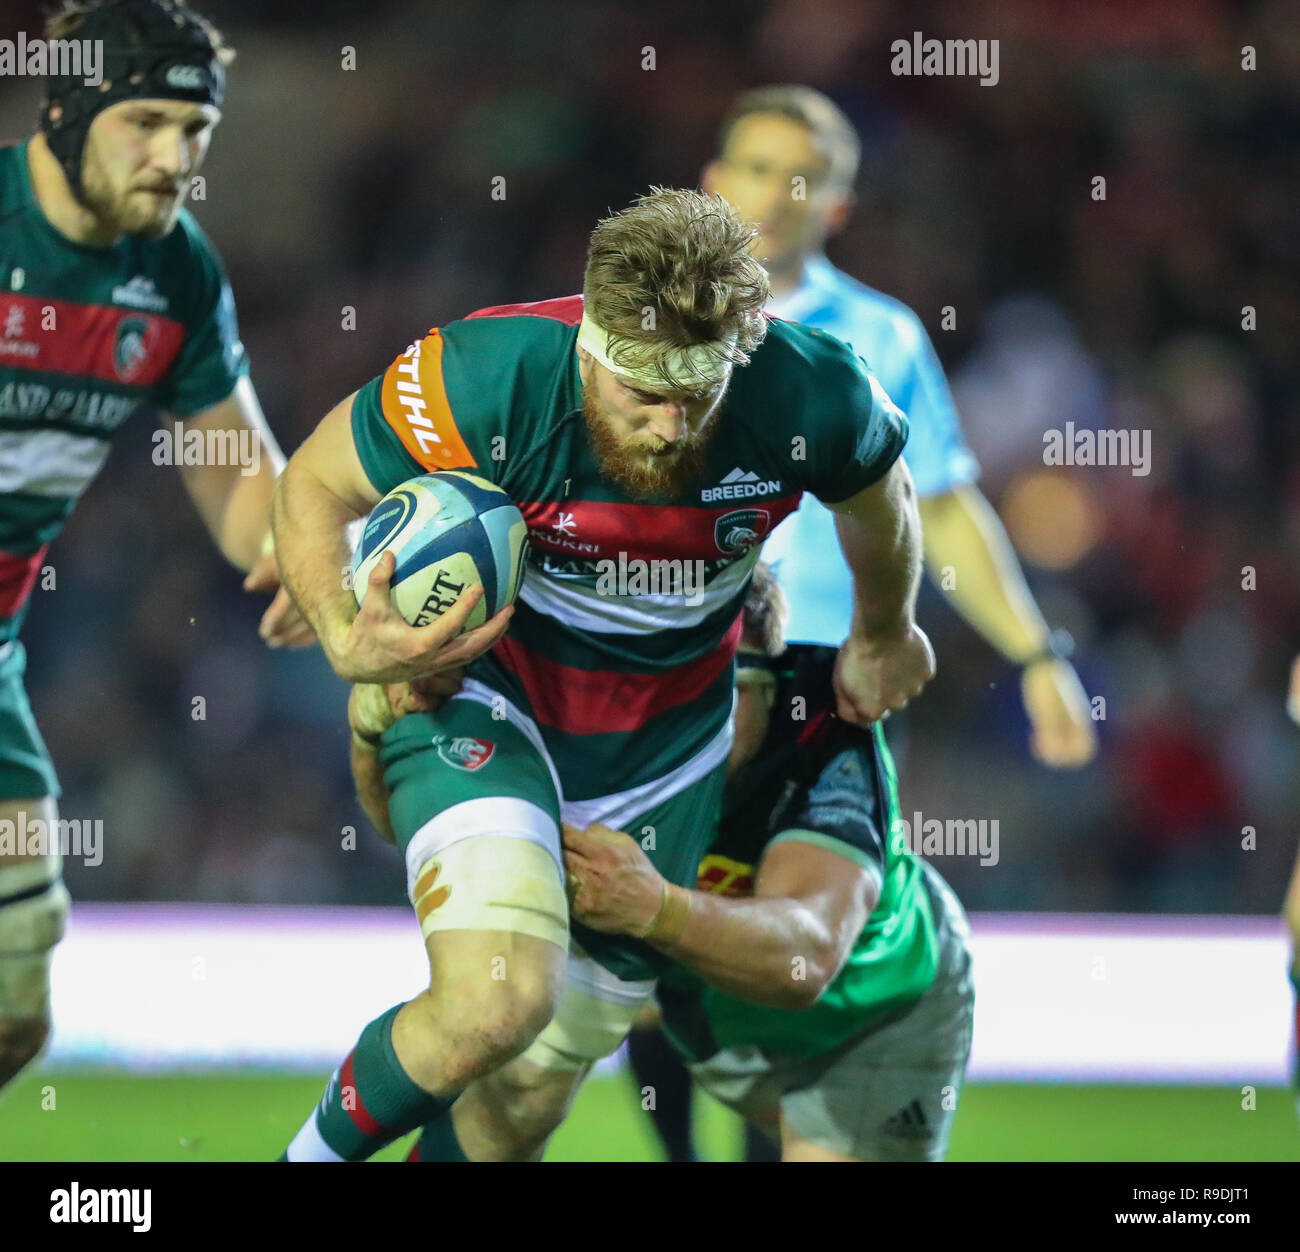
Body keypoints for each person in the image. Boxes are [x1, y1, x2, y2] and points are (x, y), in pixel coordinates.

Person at [272, 187, 935, 1161]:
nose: (669, 426)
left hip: (666, 753)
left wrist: (886, 628)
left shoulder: (808, 391)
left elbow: (886, 501)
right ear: (590, 340)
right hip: (493, 693)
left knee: (530, 1094)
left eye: (694, 394)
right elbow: (315, 481)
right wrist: (342, 632)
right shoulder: (481, 377)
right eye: (642, 393)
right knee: (498, 1001)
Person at [0, 0, 307, 1095]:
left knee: (12, 1004)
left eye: (196, 131)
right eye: (145, 121)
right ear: (68, 109)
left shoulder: (177, 275)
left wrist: (317, 567)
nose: (176, 158)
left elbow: (232, 470)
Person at [702, 85, 1095, 766]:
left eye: (803, 180)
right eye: (757, 169)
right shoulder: (644, 321)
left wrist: (1035, 655)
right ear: (714, 181)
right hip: (673, 659)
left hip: (842, 677)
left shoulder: (883, 337)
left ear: (837, 206)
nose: (774, 197)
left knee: (828, 875)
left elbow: (939, 509)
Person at [566, 562, 974, 1161]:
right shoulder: (595, 723)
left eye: (716, 694)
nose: (685, 729)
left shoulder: (827, 721)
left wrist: (655, 909)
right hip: (716, 1023)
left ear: (770, 683)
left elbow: (803, 960)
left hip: (870, 1018)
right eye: (663, 695)